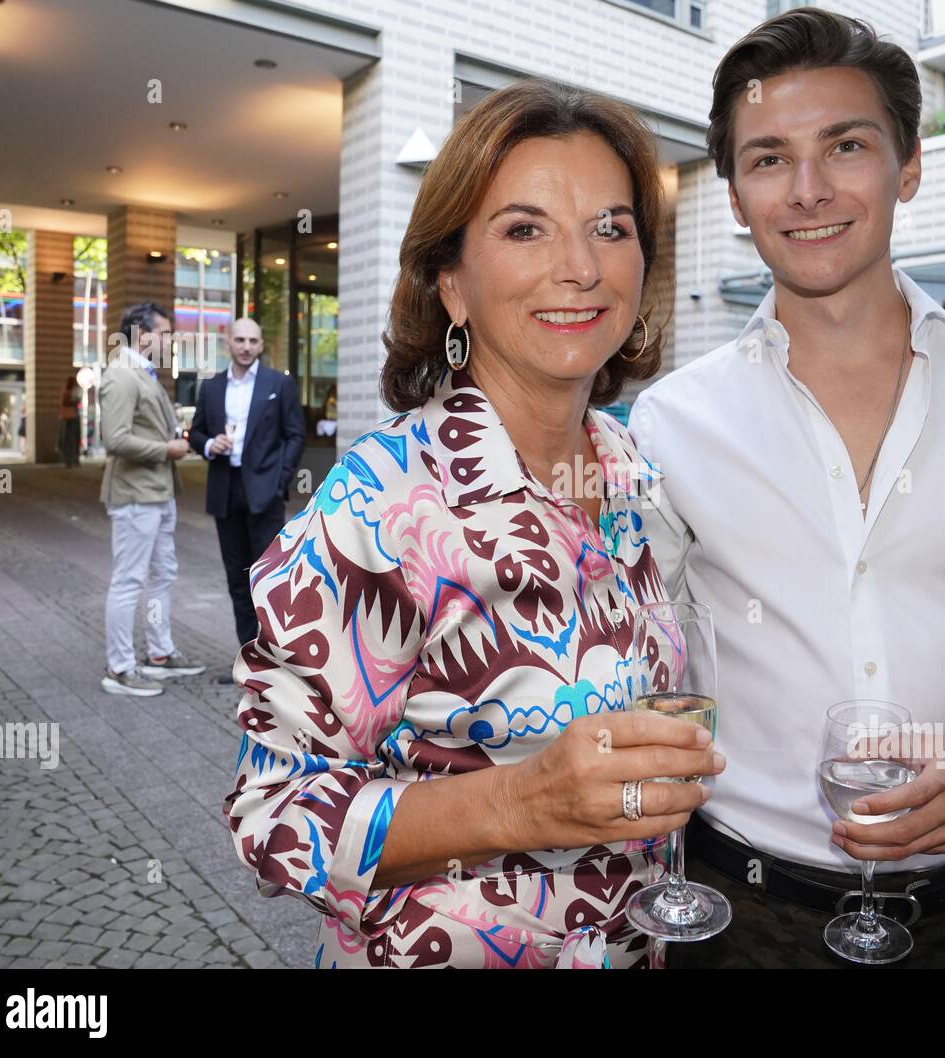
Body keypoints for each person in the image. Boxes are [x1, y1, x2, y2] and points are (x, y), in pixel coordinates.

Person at [628, 8, 945, 969]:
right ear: (733, 194)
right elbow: (645, 666)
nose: (808, 190)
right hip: (740, 920)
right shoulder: (668, 424)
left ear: (908, 166)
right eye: (768, 158)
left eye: (845, 146)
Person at [222, 79, 724, 969]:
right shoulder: (382, 503)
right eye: (525, 228)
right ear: (451, 281)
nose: (581, 266)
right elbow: (275, 817)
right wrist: (520, 804)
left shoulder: (634, 469)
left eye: (612, 227)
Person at [99, 301, 205, 696]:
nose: (170, 340)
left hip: (158, 493)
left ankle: (159, 654)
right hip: (134, 495)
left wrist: (173, 439)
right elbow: (115, 439)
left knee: (163, 575)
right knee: (128, 580)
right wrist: (166, 449)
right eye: (165, 333)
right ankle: (120, 668)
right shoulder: (121, 375)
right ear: (141, 334)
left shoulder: (143, 372)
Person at [189, 317, 305, 654]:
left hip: (265, 494)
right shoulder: (211, 387)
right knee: (237, 578)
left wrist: (281, 480)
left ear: (261, 345)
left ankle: (276, 658)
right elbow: (196, 433)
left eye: (253, 341)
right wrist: (211, 444)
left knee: (270, 579)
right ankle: (247, 655)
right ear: (228, 342)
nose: (246, 347)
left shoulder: (278, 384)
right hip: (226, 491)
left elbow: (294, 435)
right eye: (240, 340)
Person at [58, 376, 82, 467]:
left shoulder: (66, 390)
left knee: (68, 438)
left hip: (67, 416)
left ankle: (70, 460)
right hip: (72, 415)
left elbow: (62, 402)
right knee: (73, 437)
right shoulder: (74, 390)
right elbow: (77, 400)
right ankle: (73, 459)